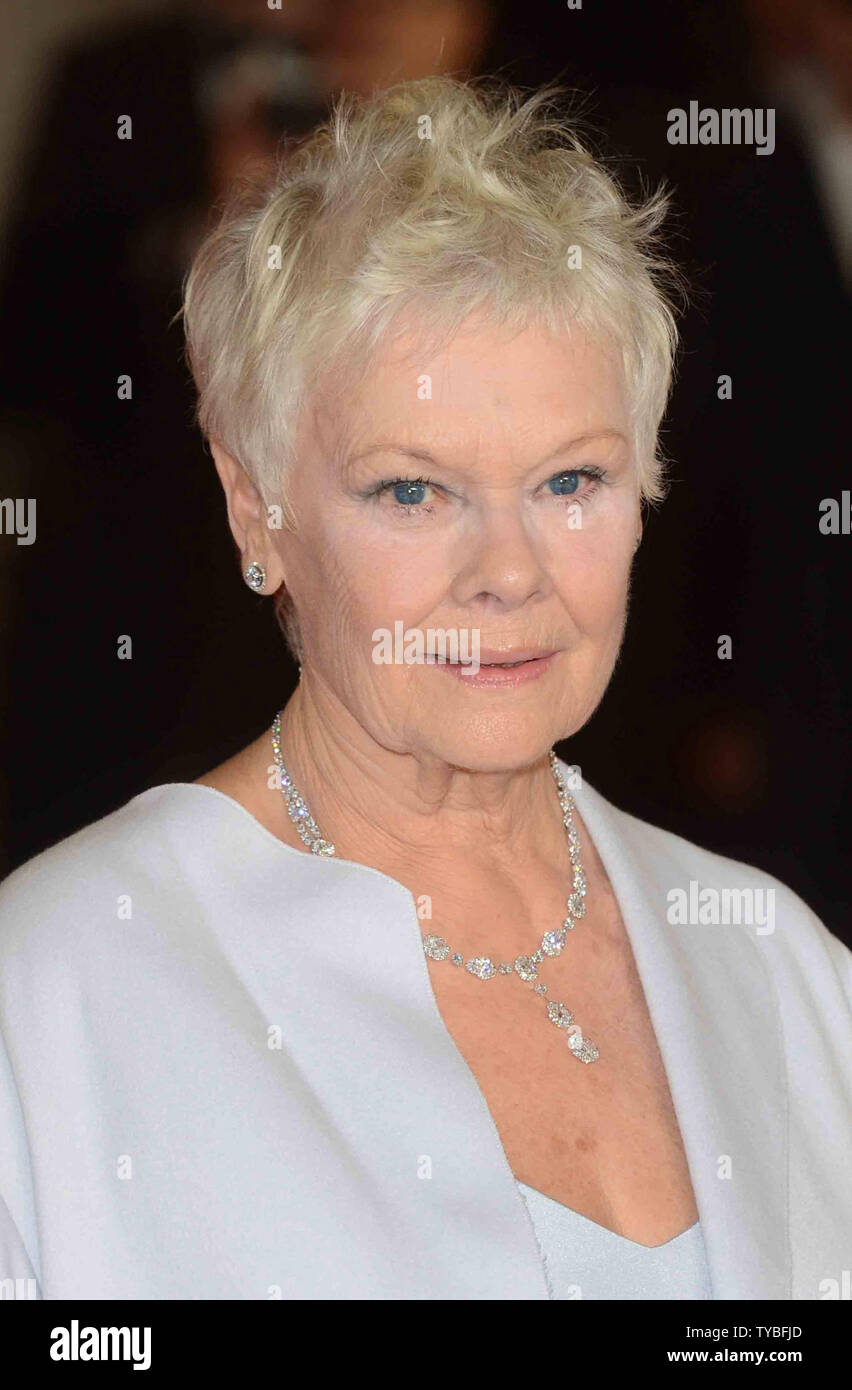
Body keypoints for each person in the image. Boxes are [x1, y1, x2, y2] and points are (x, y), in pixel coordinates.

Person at [0, 76, 849, 1302]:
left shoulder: (782, 968)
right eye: (412, 491)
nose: (509, 573)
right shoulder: (56, 994)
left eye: (570, 482)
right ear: (259, 510)